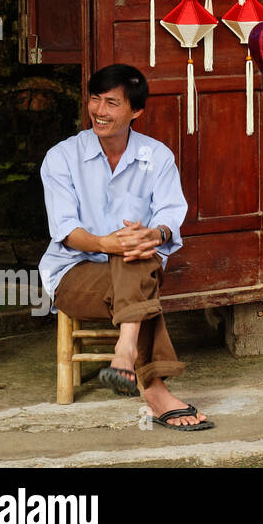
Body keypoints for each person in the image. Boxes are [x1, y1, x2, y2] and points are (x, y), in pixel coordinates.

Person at [39, 64, 212, 431]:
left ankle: (128, 351)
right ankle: (151, 383)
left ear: (136, 111)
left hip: (135, 269)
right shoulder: (61, 158)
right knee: (136, 262)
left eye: (112, 102)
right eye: (95, 99)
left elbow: (169, 217)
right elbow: (66, 229)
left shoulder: (158, 156)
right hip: (74, 274)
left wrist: (155, 235)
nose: (99, 110)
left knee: (139, 252)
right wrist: (106, 243)